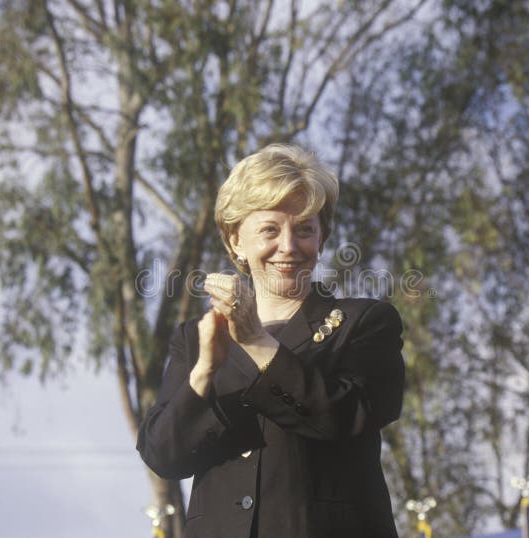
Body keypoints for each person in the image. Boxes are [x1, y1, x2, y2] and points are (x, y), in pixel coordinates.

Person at [137, 143, 405, 538]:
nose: (288, 246)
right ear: (235, 241)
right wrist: (203, 375)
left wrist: (256, 340)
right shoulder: (195, 340)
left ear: (322, 238)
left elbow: (346, 417)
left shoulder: (364, 322)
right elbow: (163, 455)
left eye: (304, 230)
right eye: (269, 229)